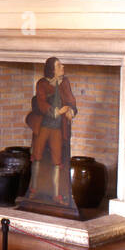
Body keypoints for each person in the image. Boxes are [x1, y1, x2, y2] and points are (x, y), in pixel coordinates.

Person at [24, 57, 77, 204]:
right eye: (59, 65)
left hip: (58, 128)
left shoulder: (65, 82)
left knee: (57, 160)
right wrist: (58, 111)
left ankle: (56, 195)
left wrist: (70, 111)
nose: (63, 66)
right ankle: (33, 190)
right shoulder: (42, 83)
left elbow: (71, 101)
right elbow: (41, 104)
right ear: (52, 69)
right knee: (37, 157)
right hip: (43, 126)